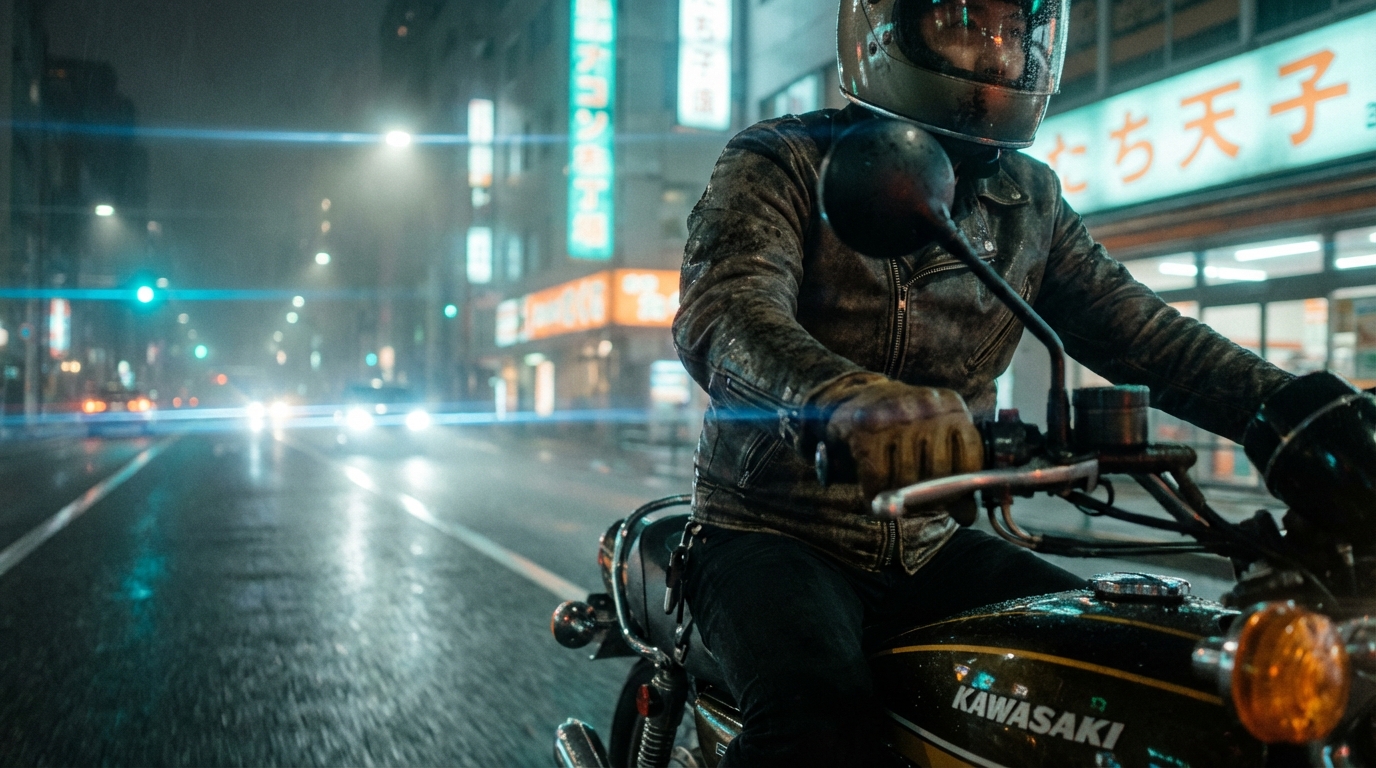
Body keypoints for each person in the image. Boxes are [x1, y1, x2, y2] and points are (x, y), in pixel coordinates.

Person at [670, 0, 1294, 764]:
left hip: (931, 543)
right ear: (885, 30)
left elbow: (1144, 335)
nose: (998, 53)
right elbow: (726, 310)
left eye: (1015, 31)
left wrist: (1302, 410)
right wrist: (839, 398)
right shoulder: (784, 159)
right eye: (965, 25)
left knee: (1121, 667)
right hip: (771, 533)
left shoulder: (1031, 200)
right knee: (821, 730)